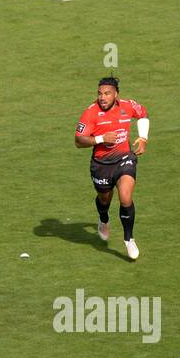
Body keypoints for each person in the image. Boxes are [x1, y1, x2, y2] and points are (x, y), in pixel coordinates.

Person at [75, 77, 149, 261]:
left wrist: (143, 138)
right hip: (101, 165)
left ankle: (129, 238)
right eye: (99, 94)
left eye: (107, 93)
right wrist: (101, 139)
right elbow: (79, 140)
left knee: (125, 197)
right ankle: (103, 219)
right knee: (104, 199)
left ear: (116, 94)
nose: (102, 97)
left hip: (124, 159)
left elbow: (143, 114)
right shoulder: (91, 113)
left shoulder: (127, 106)